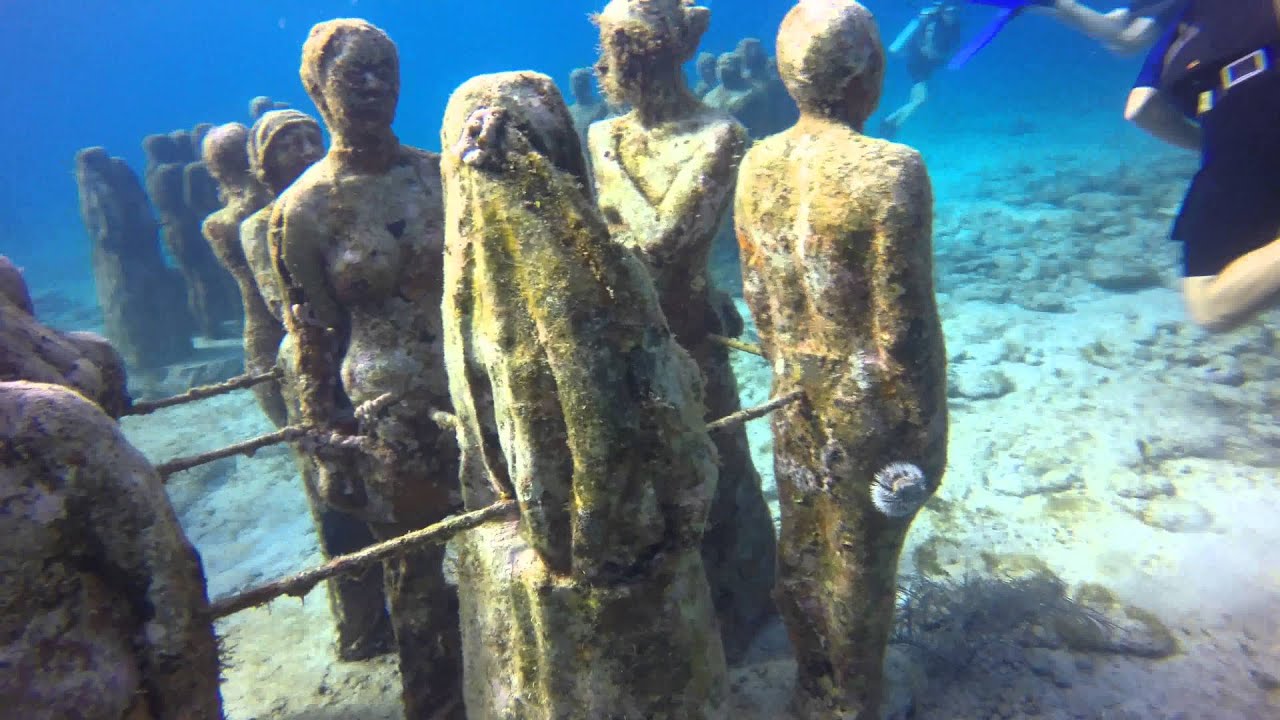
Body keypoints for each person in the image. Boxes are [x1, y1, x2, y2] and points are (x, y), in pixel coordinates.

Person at [1125, 0, 1280, 332]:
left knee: (1209, 304)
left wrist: (1212, 146)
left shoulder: (1180, 20)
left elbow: (1140, 110)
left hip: (1232, 116)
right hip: (1245, 116)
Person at [880, 0, 966, 137]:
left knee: (916, 100)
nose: (952, 16)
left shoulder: (954, 27)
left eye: (956, 12)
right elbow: (925, 49)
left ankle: (891, 122)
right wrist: (936, 55)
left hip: (928, 66)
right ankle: (890, 124)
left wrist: (943, 58)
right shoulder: (933, 25)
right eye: (949, 12)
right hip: (917, 64)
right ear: (942, 12)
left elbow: (951, 47)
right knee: (920, 100)